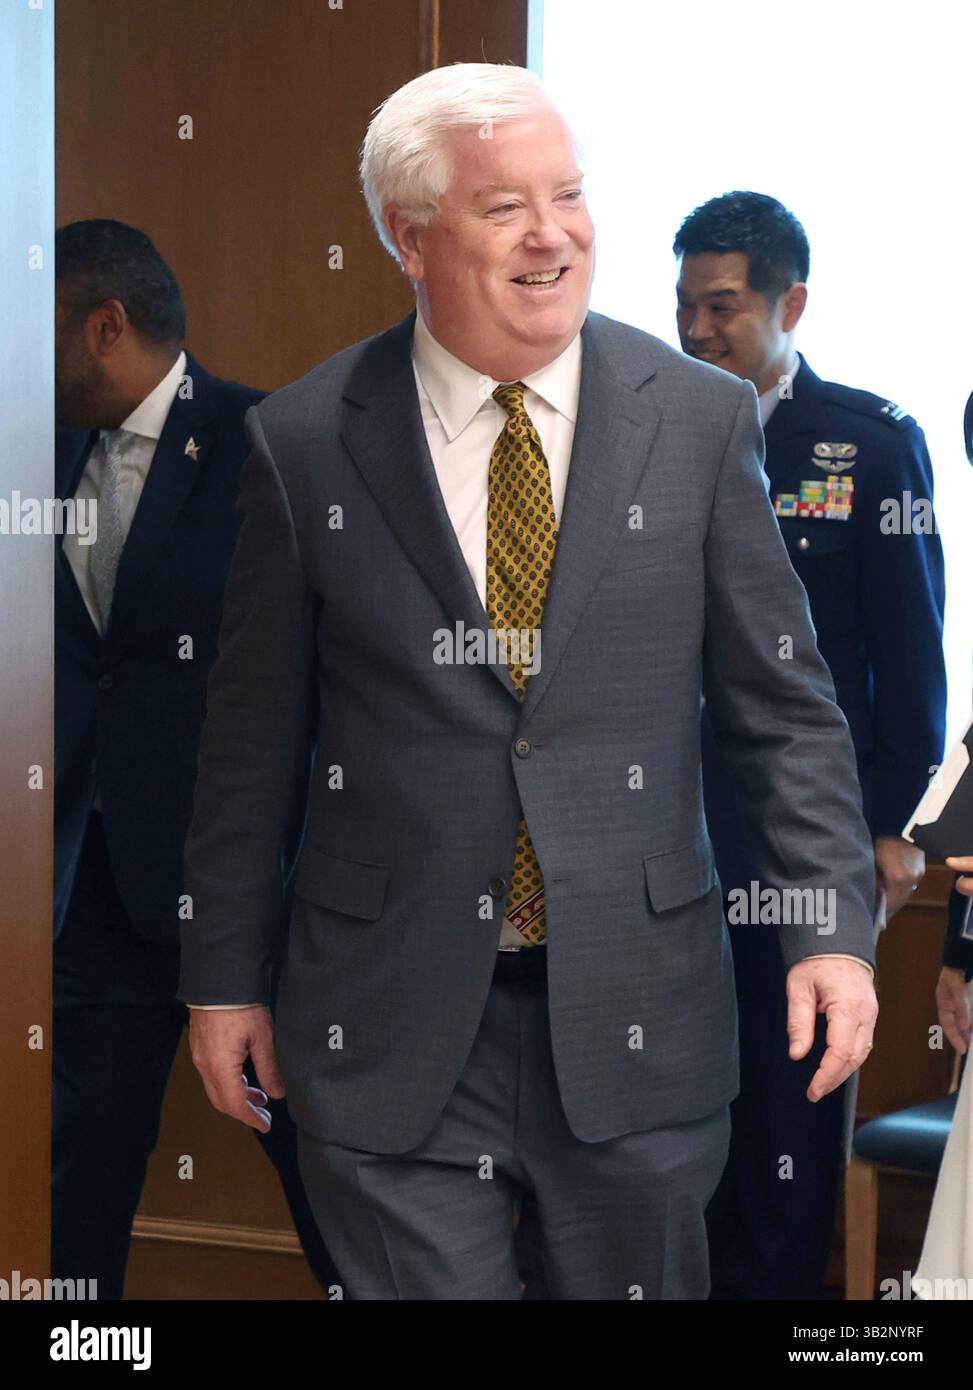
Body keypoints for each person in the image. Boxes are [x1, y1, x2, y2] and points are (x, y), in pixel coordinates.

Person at [178, 65, 879, 1302]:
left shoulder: (701, 418)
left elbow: (785, 707)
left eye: (569, 194)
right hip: (386, 1022)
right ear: (409, 236)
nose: (552, 233)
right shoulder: (300, 441)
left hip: (636, 1014)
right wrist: (222, 975)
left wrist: (830, 926)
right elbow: (249, 741)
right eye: (503, 207)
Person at [53, 220, 339, 1299]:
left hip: (248, 897)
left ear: (105, 327)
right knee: (75, 1182)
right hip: (90, 890)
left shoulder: (270, 440)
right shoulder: (32, 448)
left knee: (322, 1169)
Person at [673, 191, 947, 1299]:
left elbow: (910, 659)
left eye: (722, 306)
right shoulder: (658, 430)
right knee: (675, 1130)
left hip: (802, 847)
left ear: (790, 301)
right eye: (684, 304)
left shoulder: (868, 442)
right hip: (670, 843)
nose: (696, 330)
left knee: (787, 1128)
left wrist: (886, 829)